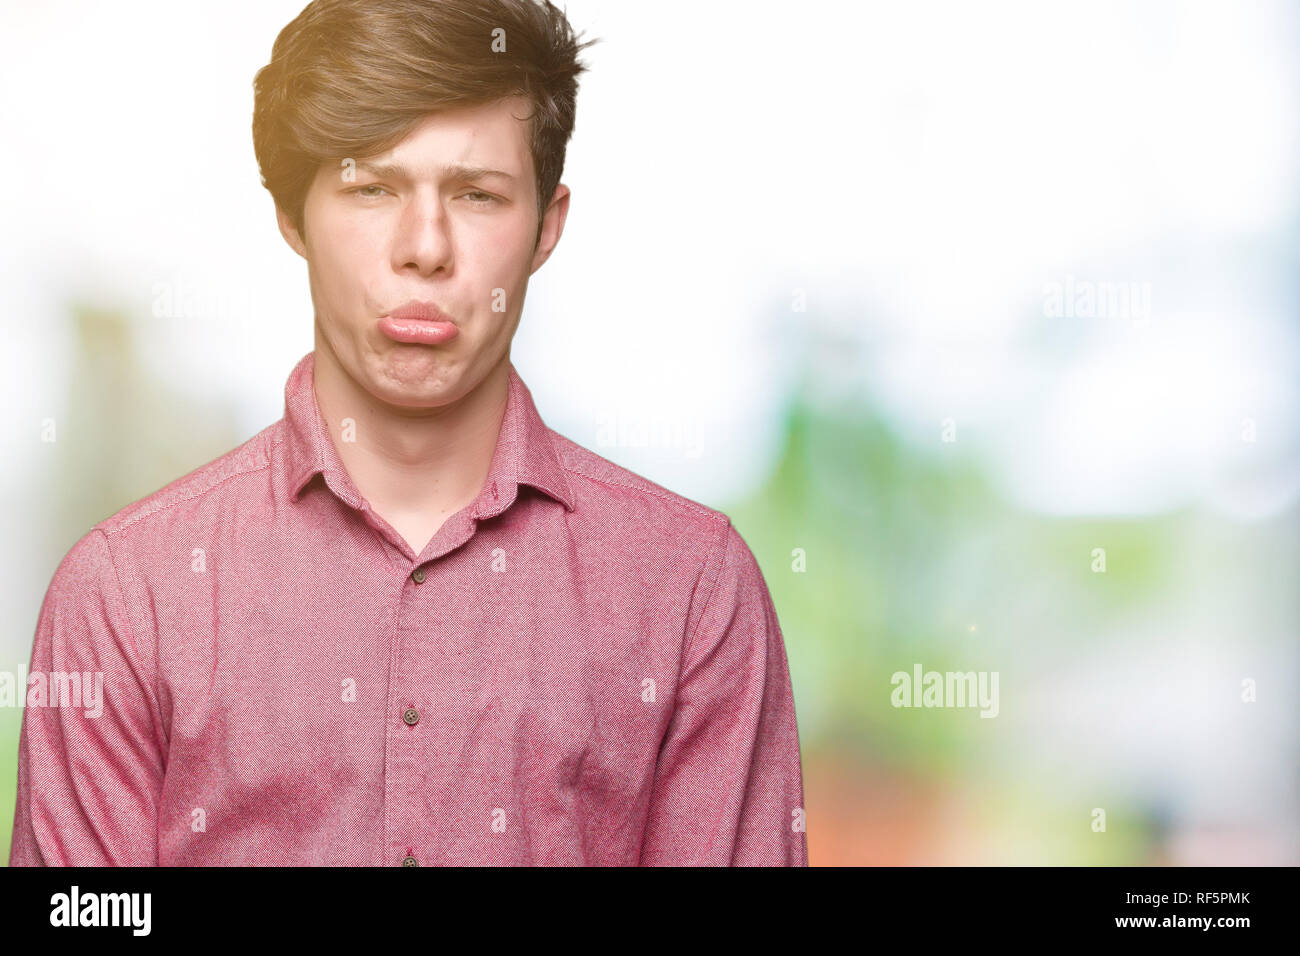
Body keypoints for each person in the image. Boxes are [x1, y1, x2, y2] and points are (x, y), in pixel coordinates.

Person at [8, 0, 807, 866]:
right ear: (292, 216)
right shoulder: (127, 596)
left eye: (476, 194)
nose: (425, 248)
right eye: (371, 187)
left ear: (547, 224)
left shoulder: (690, 591)